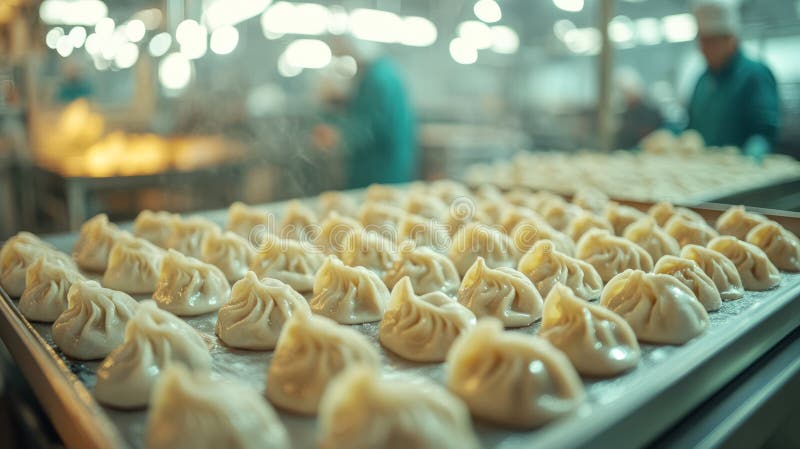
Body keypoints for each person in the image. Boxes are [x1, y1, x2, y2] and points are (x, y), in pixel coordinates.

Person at [312, 36, 416, 189]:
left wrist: (338, 135)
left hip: (380, 168)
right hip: (388, 161)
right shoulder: (381, 73)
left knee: (378, 206)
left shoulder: (377, 79)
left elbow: (370, 125)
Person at [688, 0, 780, 160]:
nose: (703, 50)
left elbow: (765, 130)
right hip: (706, 167)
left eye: (711, 42)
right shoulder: (702, 81)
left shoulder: (754, 74)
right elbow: (691, 127)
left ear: (731, 40)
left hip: (742, 170)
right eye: (701, 42)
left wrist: (752, 154)